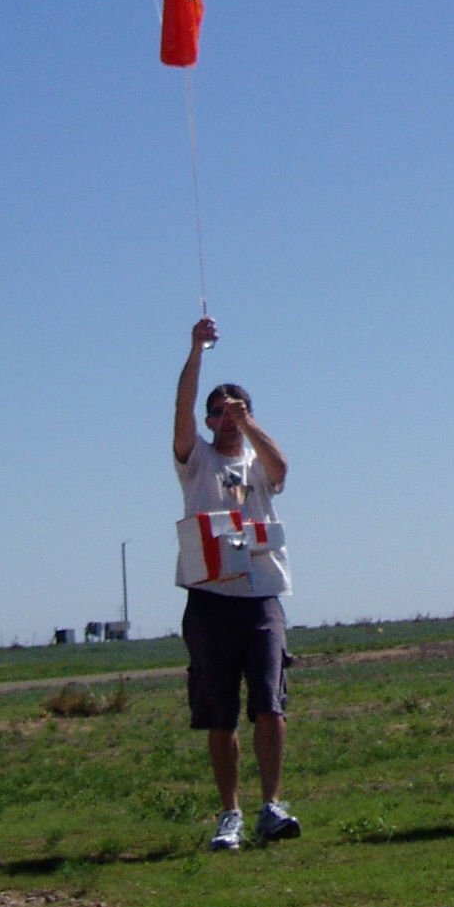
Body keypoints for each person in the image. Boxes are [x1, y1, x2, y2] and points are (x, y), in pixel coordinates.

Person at [173, 315, 300, 851]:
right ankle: (231, 815)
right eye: (219, 412)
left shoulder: (257, 462)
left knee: (269, 702)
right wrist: (196, 351)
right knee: (219, 712)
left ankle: (273, 805)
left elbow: (281, 467)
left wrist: (251, 425)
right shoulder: (197, 461)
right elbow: (182, 412)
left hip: (261, 597)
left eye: (237, 410)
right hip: (209, 599)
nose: (227, 419)